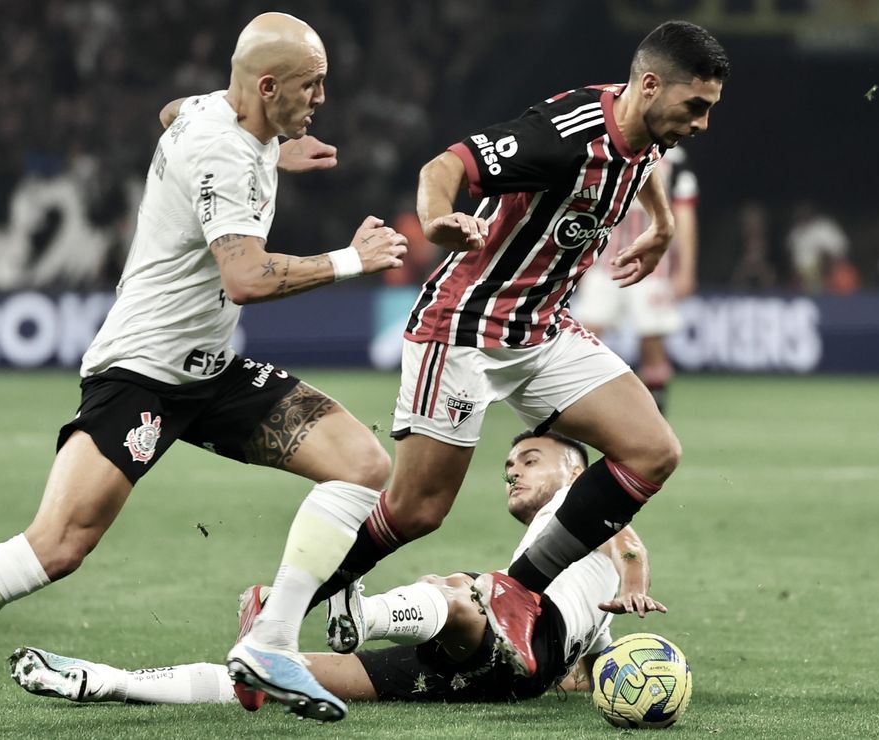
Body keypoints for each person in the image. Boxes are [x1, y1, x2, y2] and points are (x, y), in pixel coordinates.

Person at [0, 12, 408, 736]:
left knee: (360, 463)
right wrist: (354, 258)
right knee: (56, 546)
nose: (322, 97)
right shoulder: (224, 155)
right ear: (266, 86)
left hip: (212, 373)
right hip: (141, 374)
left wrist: (275, 149)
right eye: (310, 85)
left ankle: (269, 642)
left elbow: (174, 111)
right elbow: (245, 278)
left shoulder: (217, 115)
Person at [306, 20, 729, 681]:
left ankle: (520, 588)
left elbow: (642, 159)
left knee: (654, 451)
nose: (702, 123)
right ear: (649, 85)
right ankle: (297, 595)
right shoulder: (561, 136)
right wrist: (438, 217)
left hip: (541, 329)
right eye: (695, 106)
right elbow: (444, 166)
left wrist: (664, 219)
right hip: (465, 327)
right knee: (418, 510)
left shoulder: (645, 125)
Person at [8, 431, 664, 707]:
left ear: (575, 473)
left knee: (466, 589)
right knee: (279, 673)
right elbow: (593, 627)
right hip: (506, 674)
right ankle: (109, 681)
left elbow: (629, 546)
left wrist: (636, 587)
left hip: (516, 639)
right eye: (509, 466)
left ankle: (361, 607)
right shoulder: (564, 557)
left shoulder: (586, 509)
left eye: (528, 458)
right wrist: (592, 667)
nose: (512, 470)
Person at [573, 145, 700, 412]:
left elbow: (684, 215)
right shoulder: (604, 148)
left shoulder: (673, 161)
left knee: (652, 346)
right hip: (604, 264)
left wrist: (685, 269)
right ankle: (579, 417)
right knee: (580, 343)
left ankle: (654, 426)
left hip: (654, 268)